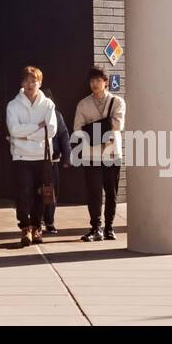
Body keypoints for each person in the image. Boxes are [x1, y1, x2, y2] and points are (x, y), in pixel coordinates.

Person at [73, 66, 126, 241]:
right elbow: (78, 129)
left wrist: (92, 127)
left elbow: (118, 125)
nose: (94, 84)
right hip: (91, 155)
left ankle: (110, 227)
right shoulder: (83, 103)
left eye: (98, 80)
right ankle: (96, 227)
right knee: (93, 192)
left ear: (105, 82)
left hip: (112, 153)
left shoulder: (117, 101)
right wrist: (103, 125)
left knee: (111, 192)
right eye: (92, 81)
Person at [6, 66, 57, 246]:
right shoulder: (13, 105)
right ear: (22, 83)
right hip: (21, 157)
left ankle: (37, 227)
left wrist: (25, 134)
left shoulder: (48, 104)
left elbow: (51, 129)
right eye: (26, 80)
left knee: (41, 194)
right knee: (23, 193)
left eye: (33, 81)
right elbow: (13, 130)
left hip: (42, 156)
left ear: (40, 83)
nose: (30, 84)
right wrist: (37, 127)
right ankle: (25, 227)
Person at [44, 101, 71, 234]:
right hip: (32, 158)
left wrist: (67, 157)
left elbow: (64, 136)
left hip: (52, 160)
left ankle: (49, 221)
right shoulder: (31, 114)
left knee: (50, 193)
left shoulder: (56, 115)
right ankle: (35, 221)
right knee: (33, 192)